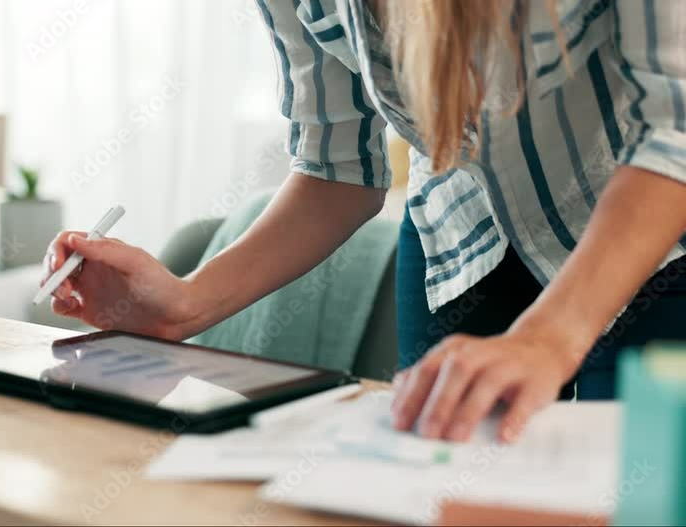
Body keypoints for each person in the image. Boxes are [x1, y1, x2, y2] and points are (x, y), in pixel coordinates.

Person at [40, 0, 686, 443]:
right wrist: (182, 303)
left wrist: (548, 339)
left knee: (633, 491)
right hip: (464, 232)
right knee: (432, 487)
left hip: (657, 233)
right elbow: (336, 166)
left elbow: (675, 127)